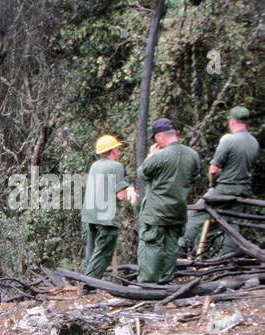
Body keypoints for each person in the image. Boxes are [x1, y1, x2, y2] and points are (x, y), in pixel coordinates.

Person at [187, 106, 258, 257]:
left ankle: (180, 248)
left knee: (194, 214)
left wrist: (212, 184)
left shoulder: (229, 140)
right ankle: (227, 257)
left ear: (232, 121)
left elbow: (213, 169)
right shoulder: (253, 142)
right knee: (230, 223)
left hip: (224, 189)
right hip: (243, 190)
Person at [137, 118, 201, 283]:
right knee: (171, 247)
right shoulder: (192, 155)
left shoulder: (159, 156)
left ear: (160, 136)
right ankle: (165, 282)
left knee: (151, 246)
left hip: (156, 212)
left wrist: (151, 154)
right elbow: (194, 178)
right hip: (178, 210)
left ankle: (148, 285)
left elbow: (142, 173)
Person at [80, 134, 133, 279]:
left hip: (90, 214)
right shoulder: (116, 166)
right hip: (106, 217)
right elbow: (121, 195)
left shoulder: (94, 166)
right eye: (118, 149)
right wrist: (132, 192)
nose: (119, 152)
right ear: (114, 150)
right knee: (104, 251)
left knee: (92, 251)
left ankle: (87, 281)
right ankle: (88, 284)